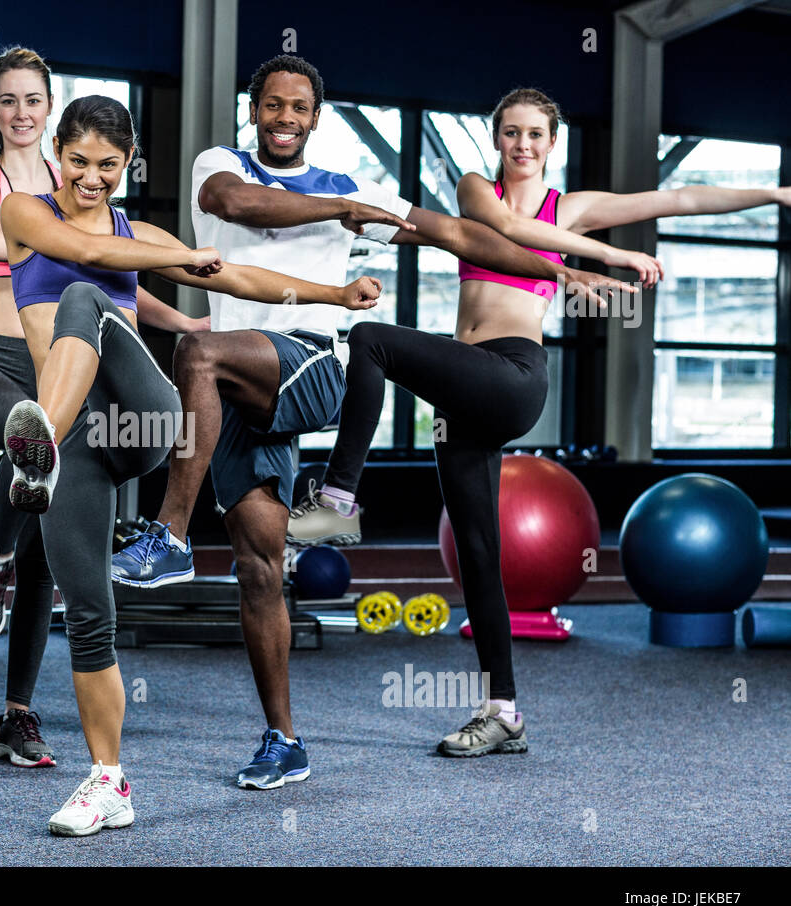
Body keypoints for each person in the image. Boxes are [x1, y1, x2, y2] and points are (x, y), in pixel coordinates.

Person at [109, 56, 632, 788]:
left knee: (194, 348)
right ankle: (283, 741)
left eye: (300, 107)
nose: (285, 117)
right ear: (253, 109)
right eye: (273, 104)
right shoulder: (220, 163)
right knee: (260, 570)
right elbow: (238, 205)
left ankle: (168, 534)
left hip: (308, 365)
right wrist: (339, 214)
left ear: (316, 118)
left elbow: (457, 234)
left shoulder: (352, 187)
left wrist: (560, 271)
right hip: (232, 385)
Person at [290, 86, 791, 758]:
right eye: (510, 133)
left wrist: (777, 196)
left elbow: (681, 200)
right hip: (463, 390)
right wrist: (600, 258)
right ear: (497, 139)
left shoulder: (572, 208)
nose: (522, 145)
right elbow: (514, 233)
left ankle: (338, 499)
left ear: (553, 143)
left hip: (514, 377)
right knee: (479, 557)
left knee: (373, 340)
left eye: (535, 134)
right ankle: (504, 713)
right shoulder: (476, 189)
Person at [0, 93, 390, 835]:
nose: (92, 177)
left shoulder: (134, 228)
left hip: (139, 419)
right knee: (88, 614)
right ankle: (108, 780)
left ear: (128, 162)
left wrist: (334, 294)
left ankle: (51, 448)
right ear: (58, 153)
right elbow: (87, 252)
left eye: (109, 166)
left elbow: (235, 278)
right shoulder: (25, 212)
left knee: (86, 300)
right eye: (78, 161)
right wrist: (178, 255)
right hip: (74, 448)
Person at [0, 48, 206, 768]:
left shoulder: (90, 185)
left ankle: (17, 714)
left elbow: (116, 270)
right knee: (26, 438)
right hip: (0, 358)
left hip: (69, 369)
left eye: (33, 99)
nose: (21, 111)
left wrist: (182, 319)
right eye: (9, 100)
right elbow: (7, 240)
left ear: (51, 110)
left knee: (50, 518)